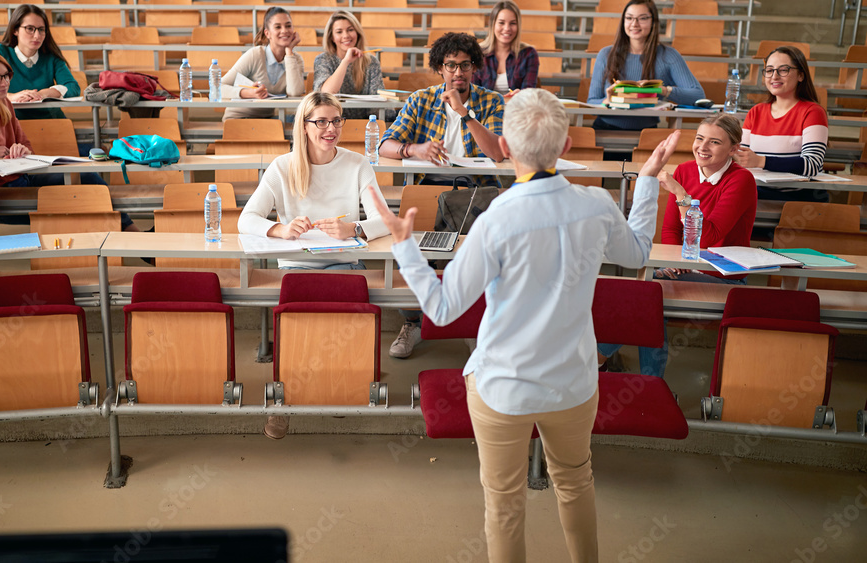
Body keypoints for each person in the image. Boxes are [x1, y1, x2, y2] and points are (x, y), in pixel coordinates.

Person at [368, 89, 680, 563]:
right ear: (569, 144)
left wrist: (404, 246)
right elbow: (638, 254)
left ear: (506, 148)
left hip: (504, 388)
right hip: (573, 384)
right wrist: (649, 179)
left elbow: (442, 307)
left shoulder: (497, 220)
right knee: (576, 484)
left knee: (504, 504)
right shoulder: (595, 204)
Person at [238, 91, 390, 440]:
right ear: (305, 127)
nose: (330, 128)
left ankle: (338, 388)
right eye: (321, 121)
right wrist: (280, 228)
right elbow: (247, 219)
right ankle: (284, 401)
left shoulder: (356, 164)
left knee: (340, 316)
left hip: (344, 264)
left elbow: (385, 218)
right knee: (299, 325)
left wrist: (355, 228)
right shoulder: (283, 167)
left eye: (336, 120)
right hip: (296, 268)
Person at [597, 113, 757, 377]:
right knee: (648, 294)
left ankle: (602, 359)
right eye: (699, 138)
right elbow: (671, 229)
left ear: (733, 149)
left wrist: (681, 194)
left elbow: (710, 237)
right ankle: (645, 382)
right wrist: (675, 266)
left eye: (714, 142)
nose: (703, 147)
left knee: (650, 294)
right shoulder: (683, 170)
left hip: (725, 277)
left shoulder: (741, 180)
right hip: (684, 272)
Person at [378, 31, 504, 359]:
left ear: (474, 67)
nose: (458, 72)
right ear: (440, 68)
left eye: (465, 65)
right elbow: (384, 145)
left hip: (478, 193)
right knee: (411, 253)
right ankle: (414, 322)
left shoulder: (491, 101)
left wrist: (464, 113)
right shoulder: (421, 100)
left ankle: (474, 325)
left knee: (483, 258)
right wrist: (414, 149)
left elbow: (498, 153)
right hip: (430, 190)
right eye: (451, 65)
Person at [0, 49, 138, 230]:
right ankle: (131, 235)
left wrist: (21, 150)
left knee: (87, 181)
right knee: (84, 194)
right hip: (1, 190)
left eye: (5, 76)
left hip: (21, 176)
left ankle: (127, 235)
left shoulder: (3, 104)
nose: (3, 83)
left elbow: (27, 147)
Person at [587, 0, 704, 130]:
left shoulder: (668, 55)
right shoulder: (606, 54)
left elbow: (698, 96)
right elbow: (591, 103)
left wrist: (663, 90)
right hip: (605, 129)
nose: (634, 24)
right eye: (629, 18)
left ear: (653, 22)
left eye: (642, 18)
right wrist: (606, 101)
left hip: (647, 134)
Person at [734, 45, 829, 202]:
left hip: (796, 197)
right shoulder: (756, 112)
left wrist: (761, 161)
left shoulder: (813, 112)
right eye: (770, 70)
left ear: (800, 75)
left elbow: (812, 165)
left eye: (783, 70)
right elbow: (741, 158)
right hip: (757, 193)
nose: (774, 76)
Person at [0, 3, 80, 120]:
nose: (37, 36)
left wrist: (44, 94)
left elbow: (73, 87)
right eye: (30, 29)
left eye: (41, 30)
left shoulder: (51, 56)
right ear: (15, 30)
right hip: (11, 122)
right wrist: (10, 97)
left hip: (51, 121)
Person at [221, 6, 306, 120]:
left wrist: (289, 52)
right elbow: (218, 87)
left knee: (301, 123)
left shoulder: (296, 59)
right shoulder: (255, 55)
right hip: (239, 118)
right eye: (277, 27)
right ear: (267, 33)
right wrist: (248, 93)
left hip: (267, 120)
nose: (284, 30)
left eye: (288, 26)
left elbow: (294, 93)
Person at [313, 10, 385, 119]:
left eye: (350, 30)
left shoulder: (372, 62)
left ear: (357, 33)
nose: (346, 35)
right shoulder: (323, 60)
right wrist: (345, 62)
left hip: (365, 124)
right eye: (339, 32)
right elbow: (326, 94)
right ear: (331, 37)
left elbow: (377, 105)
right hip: (331, 124)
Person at [472, 0, 539, 97]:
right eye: (501, 23)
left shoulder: (528, 54)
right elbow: (473, 93)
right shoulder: (477, 53)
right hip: (485, 110)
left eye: (512, 23)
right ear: (493, 24)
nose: (507, 28)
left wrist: (522, 94)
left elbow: (528, 94)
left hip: (517, 109)